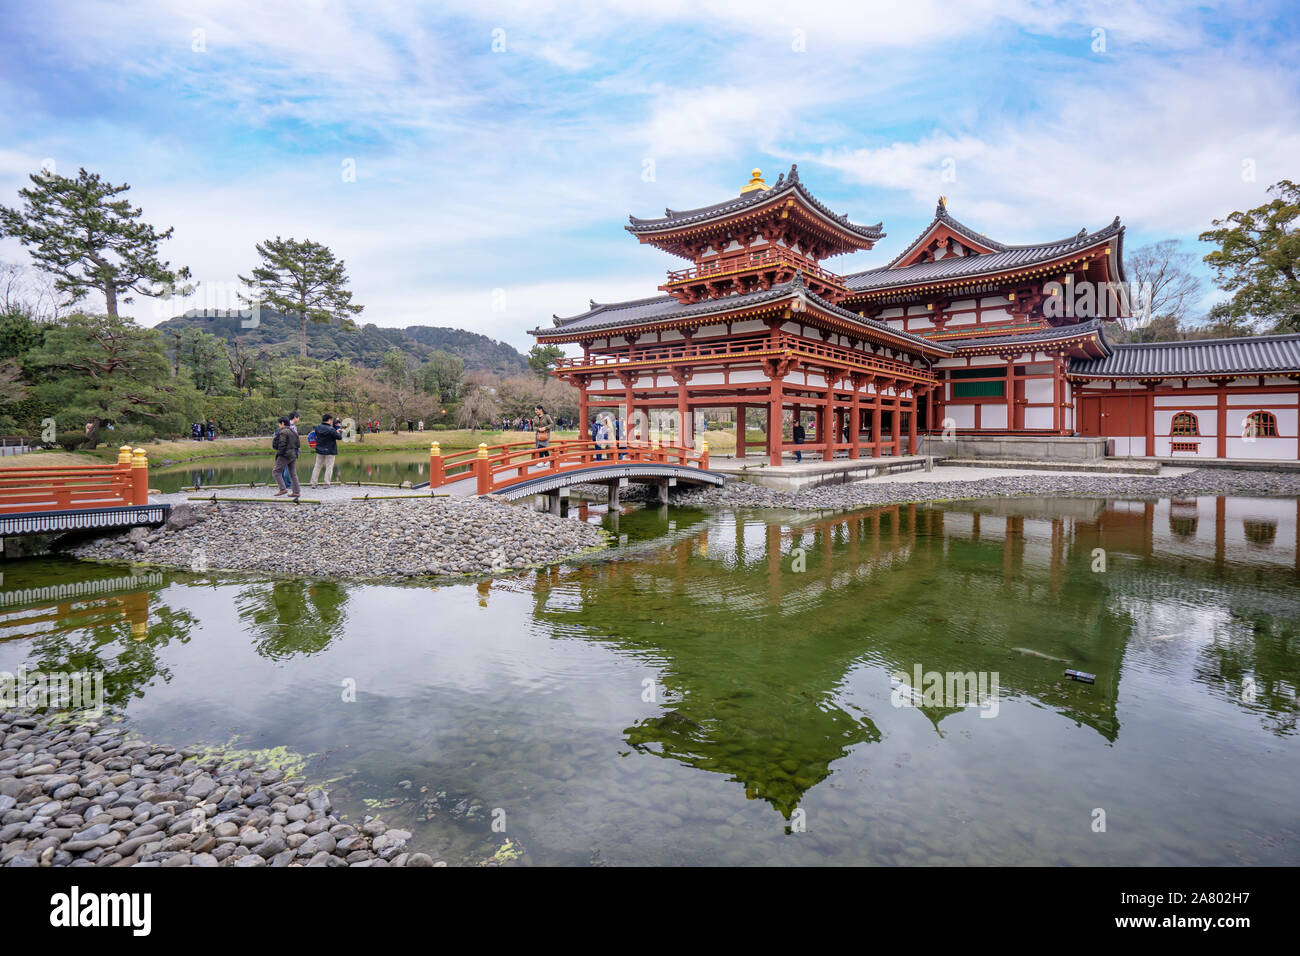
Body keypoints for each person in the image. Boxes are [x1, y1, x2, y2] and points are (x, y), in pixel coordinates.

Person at [271, 416, 301, 499]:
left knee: (276, 471)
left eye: (279, 424)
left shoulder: (283, 432)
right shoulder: (293, 431)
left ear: (283, 423)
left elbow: (282, 445)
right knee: (293, 473)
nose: (279, 426)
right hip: (294, 454)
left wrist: (279, 455)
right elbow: (298, 444)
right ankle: (296, 491)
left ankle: (283, 489)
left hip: (285, 454)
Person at [311, 414, 343, 488]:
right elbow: (339, 437)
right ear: (329, 420)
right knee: (329, 467)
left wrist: (335, 431)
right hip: (330, 450)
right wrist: (339, 431)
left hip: (319, 450)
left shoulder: (317, 428)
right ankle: (326, 483)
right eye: (331, 420)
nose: (332, 421)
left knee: (317, 466)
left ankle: (314, 483)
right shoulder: (331, 429)